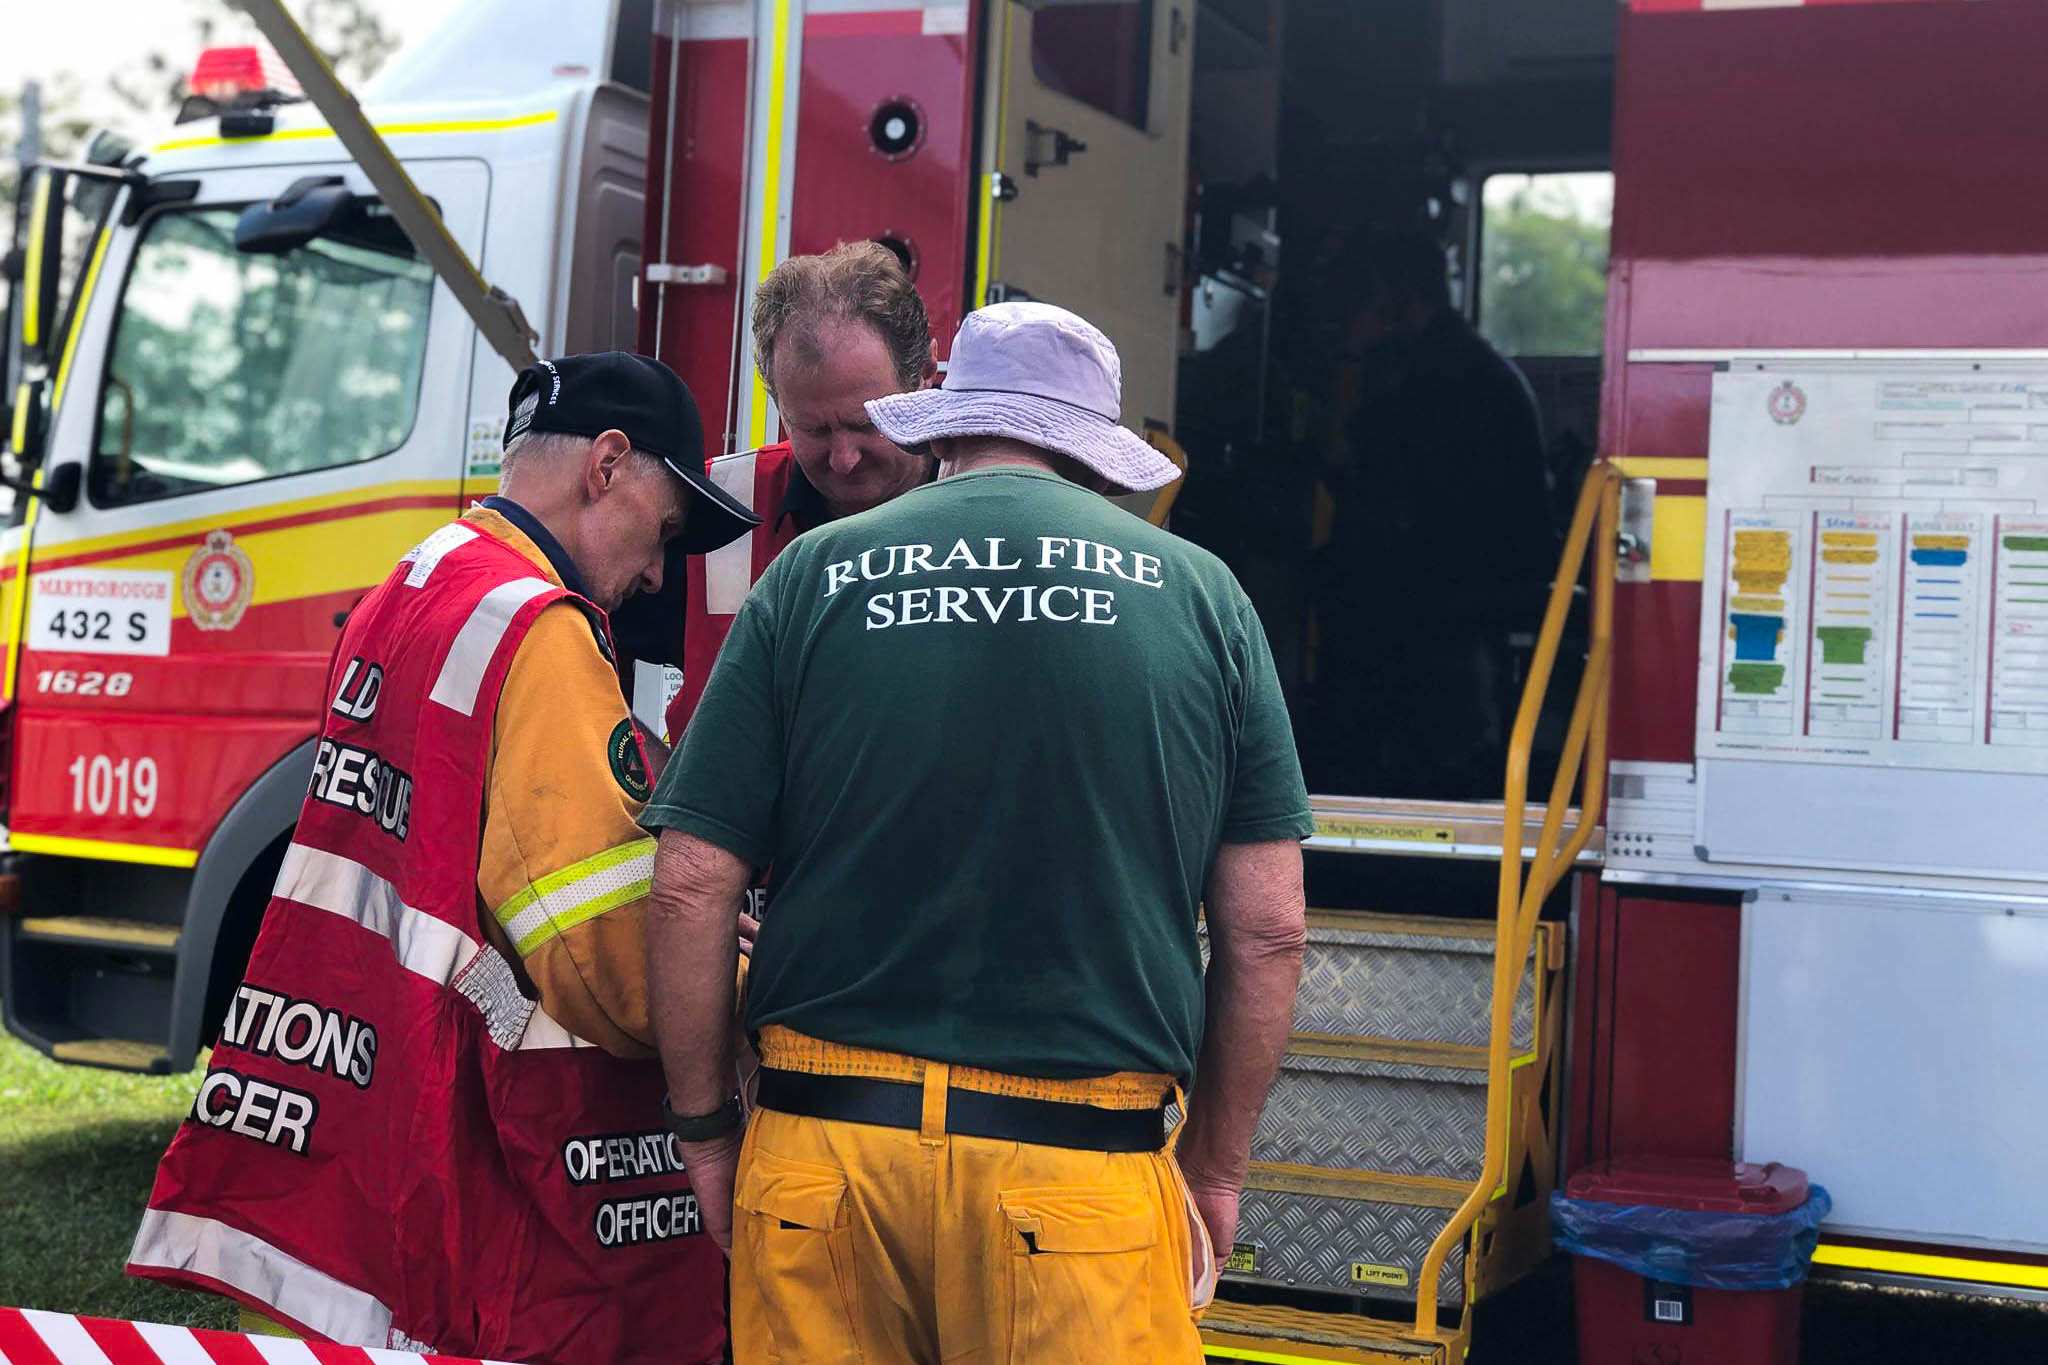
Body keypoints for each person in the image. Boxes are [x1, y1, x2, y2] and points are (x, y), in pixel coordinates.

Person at [641, 302, 1313, 1363]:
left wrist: (707, 1136)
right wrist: (1215, 1172)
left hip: (824, 1160)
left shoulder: (812, 576)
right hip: (1079, 1177)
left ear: (943, 428)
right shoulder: (1203, 599)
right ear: (1093, 459)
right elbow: (1268, 930)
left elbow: (687, 885)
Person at [128, 354, 758, 1364]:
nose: (654, 574)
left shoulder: (414, 581)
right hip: (492, 1152)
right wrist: (737, 979)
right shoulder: (540, 634)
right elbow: (611, 965)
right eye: (665, 534)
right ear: (606, 464)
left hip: (358, 1091)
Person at [662, 240, 939, 741]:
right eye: (812, 430)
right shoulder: (715, 504)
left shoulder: (989, 506)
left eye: (865, 423)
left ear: (924, 377)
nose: (844, 458)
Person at [1311, 229, 1553, 798]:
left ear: (1397, 301)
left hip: (1441, 592)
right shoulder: (1472, 363)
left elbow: (1361, 472)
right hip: (1474, 584)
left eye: (1363, 304)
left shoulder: (1427, 375)